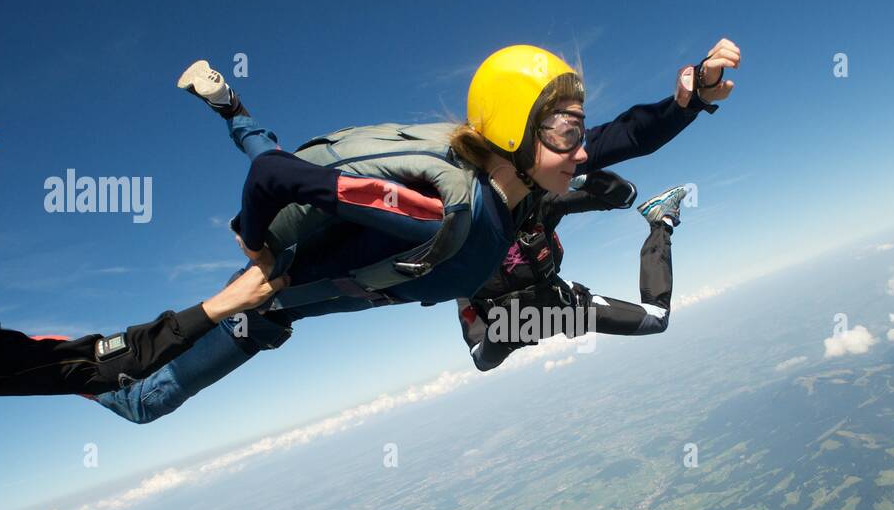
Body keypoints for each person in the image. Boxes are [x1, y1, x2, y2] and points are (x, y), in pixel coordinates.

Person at [96, 39, 739, 423]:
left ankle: (231, 107)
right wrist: (259, 245)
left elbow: (627, 136)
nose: (578, 149)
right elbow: (273, 174)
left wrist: (690, 100)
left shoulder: (537, 167)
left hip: (516, 290)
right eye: (566, 133)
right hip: (274, 298)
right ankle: (38, 360)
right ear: (519, 135)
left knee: (532, 284)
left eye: (577, 132)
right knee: (147, 402)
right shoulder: (434, 205)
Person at [0, 99, 287, 430]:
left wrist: (219, 306)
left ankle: (258, 320)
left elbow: (97, 364)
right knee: (139, 402)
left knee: (136, 398)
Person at [456, 178, 689, 371]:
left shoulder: (538, 206)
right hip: (533, 318)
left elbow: (622, 196)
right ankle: (662, 222)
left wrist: (576, 175)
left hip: (563, 310)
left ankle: (662, 221)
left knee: (657, 319)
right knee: (484, 359)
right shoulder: (458, 240)